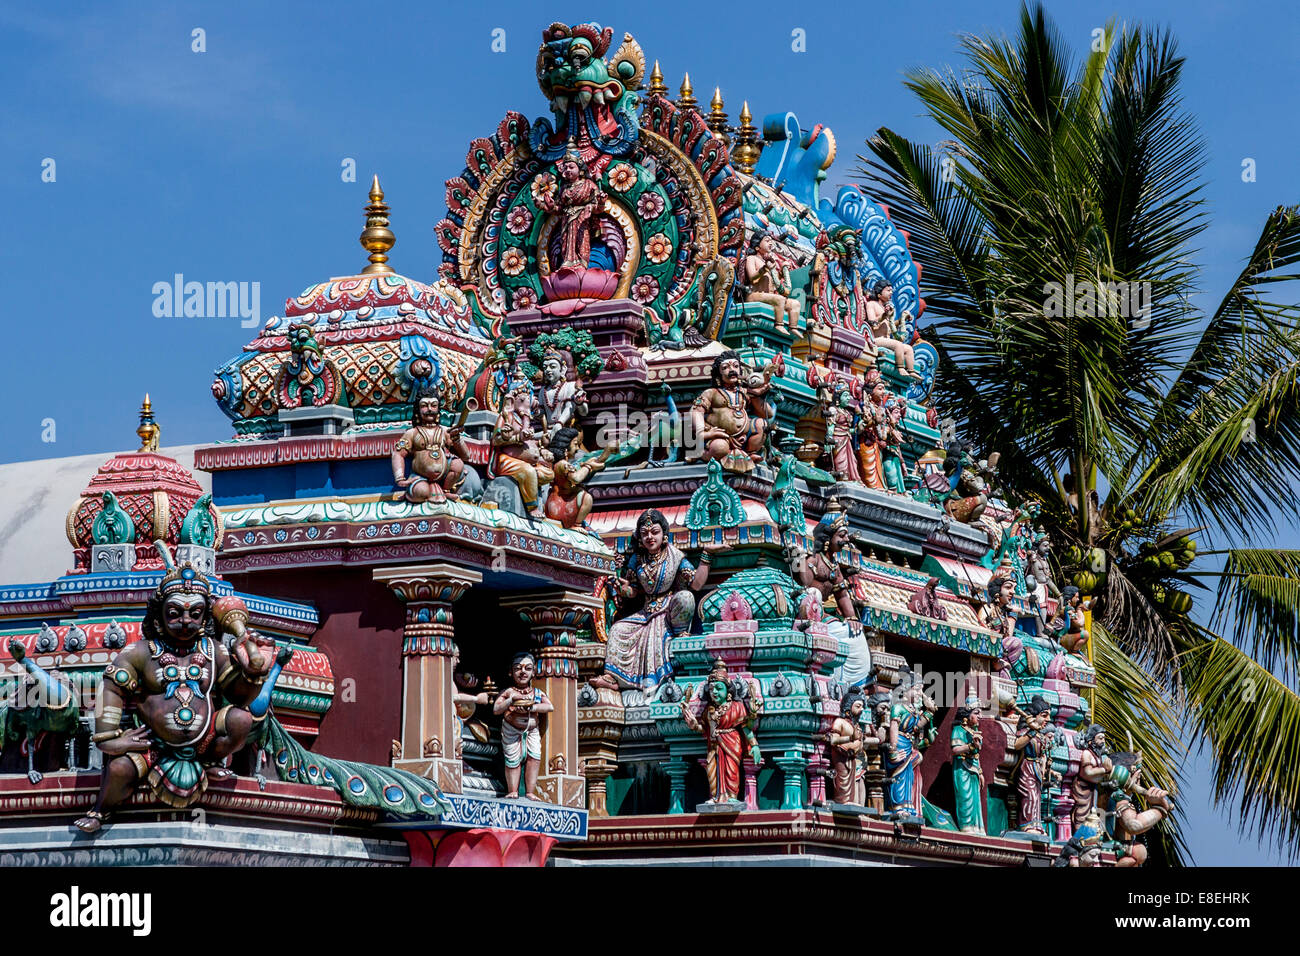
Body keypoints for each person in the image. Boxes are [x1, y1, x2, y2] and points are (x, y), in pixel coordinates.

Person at [74, 563, 277, 832]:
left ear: (205, 618)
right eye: (174, 613)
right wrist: (110, 738)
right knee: (120, 770)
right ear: (158, 617)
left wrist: (253, 671)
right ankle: (101, 810)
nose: (185, 621)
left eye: (195, 613)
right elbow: (111, 688)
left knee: (240, 719)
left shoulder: (213, 650)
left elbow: (238, 695)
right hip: (153, 745)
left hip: (203, 743)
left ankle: (209, 763)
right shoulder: (140, 652)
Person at [590, 509, 721, 698]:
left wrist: (706, 555)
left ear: (664, 535)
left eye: (654, 532)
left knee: (685, 597)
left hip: (669, 612)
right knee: (618, 629)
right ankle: (613, 678)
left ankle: (678, 636)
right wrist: (622, 588)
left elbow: (697, 584)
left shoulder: (675, 556)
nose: (650, 537)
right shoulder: (637, 559)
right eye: (644, 533)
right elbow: (633, 591)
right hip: (645, 612)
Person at [785, 506, 872, 687]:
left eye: (846, 536)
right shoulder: (814, 559)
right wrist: (801, 561)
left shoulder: (834, 566)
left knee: (855, 634)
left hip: (823, 616)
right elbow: (806, 583)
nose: (846, 540)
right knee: (813, 593)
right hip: (806, 612)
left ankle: (852, 683)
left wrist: (851, 617)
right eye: (841, 536)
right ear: (827, 538)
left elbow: (841, 594)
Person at [680, 661, 762, 804]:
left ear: (728, 691)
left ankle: (731, 796)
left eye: (718, 688)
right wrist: (694, 725)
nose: (715, 692)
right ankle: (716, 796)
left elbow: (746, 727)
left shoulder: (736, 707)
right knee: (712, 770)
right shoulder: (709, 710)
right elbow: (704, 729)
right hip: (713, 746)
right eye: (711, 690)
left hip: (731, 742)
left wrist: (754, 745)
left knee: (731, 769)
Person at [690, 350, 774, 474]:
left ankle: (750, 453)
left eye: (735, 366)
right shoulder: (712, 393)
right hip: (720, 437)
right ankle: (701, 454)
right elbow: (696, 411)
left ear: (741, 370)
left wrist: (756, 395)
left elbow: (768, 413)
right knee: (720, 448)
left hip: (743, 438)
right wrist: (704, 433)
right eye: (725, 367)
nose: (732, 370)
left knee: (762, 425)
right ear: (718, 373)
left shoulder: (744, 393)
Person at [492, 651, 553, 800]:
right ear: (510, 672)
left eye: (527, 668)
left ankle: (530, 792)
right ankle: (513, 790)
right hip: (511, 730)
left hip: (531, 731)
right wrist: (510, 701)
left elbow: (549, 707)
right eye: (518, 668)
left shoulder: (537, 693)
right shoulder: (509, 692)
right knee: (513, 760)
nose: (522, 672)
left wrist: (532, 708)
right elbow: (496, 709)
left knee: (534, 758)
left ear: (533, 672)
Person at [392, 388, 471, 503]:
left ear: (438, 409)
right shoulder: (412, 433)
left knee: (458, 464)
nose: (429, 409)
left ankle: (446, 490)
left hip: (443, 476)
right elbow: (398, 454)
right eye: (424, 405)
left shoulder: (444, 431)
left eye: (434, 405)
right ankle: (417, 491)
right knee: (421, 493)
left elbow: (466, 456)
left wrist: (457, 440)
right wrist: (400, 478)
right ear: (418, 410)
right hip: (420, 477)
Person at [742, 233, 803, 337]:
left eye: (771, 240)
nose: (770, 243)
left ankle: (793, 327)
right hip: (754, 294)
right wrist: (764, 268)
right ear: (757, 247)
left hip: (768, 296)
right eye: (767, 240)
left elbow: (773, 282)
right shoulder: (752, 258)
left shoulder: (769, 262)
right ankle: (778, 325)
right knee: (779, 299)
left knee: (795, 304)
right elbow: (752, 277)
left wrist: (781, 273)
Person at [864, 280, 922, 380]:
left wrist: (902, 319)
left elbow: (890, 326)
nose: (891, 293)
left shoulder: (885, 308)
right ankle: (900, 368)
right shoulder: (871, 305)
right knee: (898, 345)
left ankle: (911, 371)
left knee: (908, 348)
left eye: (891, 291)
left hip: (886, 339)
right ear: (879, 293)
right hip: (876, 339)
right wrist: (883, 316)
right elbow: (872, 322)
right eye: (888, 290)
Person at [827, 687, 868, 805]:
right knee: (842, 779)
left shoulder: (856, 725)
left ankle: (850, 801)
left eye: (862, 707)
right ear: (849, 707)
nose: (861, 710)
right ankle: (842, 800)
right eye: (858, 706)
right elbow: (834, 740)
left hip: (852, 757)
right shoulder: (840, 722)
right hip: (841, 756)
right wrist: (850, 739)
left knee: (852, 779)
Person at [950, 704, 986, 833]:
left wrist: (980, 772)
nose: (980, 716)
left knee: (976, 801)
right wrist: (970, 746)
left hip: (974, 769)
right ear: (967, 715)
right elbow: (955, 750)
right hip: (962, 768)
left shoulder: (975, 732)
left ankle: (977, 827)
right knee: (965, 799)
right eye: (976, 713)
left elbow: (977, 755)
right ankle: (966, 826)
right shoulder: (959, 730)